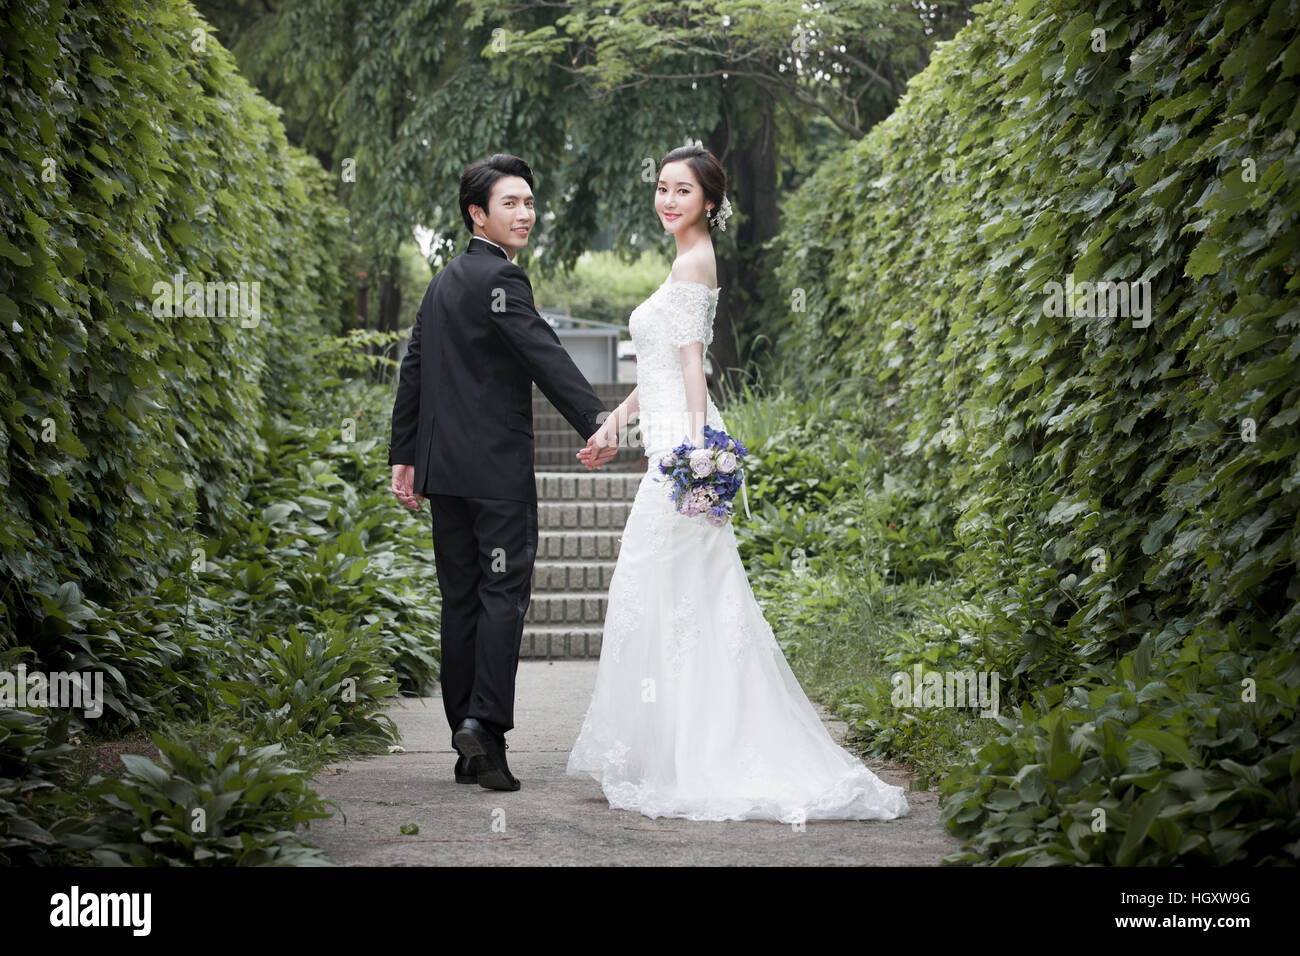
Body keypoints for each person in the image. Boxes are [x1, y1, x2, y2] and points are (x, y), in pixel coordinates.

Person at [567, 144, 910, 823]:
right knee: (668, 595)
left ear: (710, 203)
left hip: (684, 453)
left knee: (683, 596)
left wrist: (697, 456)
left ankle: (703, 751)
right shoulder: (681, 261)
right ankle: (670, 744)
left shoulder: (696, 262)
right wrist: (617, 421)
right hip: (669, 442)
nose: (668, 199)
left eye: (683, 191)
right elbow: (659, 368)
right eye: (662, 187)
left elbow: (696, 368)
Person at [388, 153, 618, 791]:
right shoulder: (503, 282)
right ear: (477, 213)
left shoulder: (440, 283)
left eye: (529, 202)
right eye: (510, 204)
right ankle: (484, 725)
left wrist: (404, 457)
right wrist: (596, 418)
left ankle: (469, 746)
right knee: (501, 598)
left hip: (444, 472)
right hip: (495, 473)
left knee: (460, 601)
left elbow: (415, 370)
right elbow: (541, 350)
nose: (525, 214)